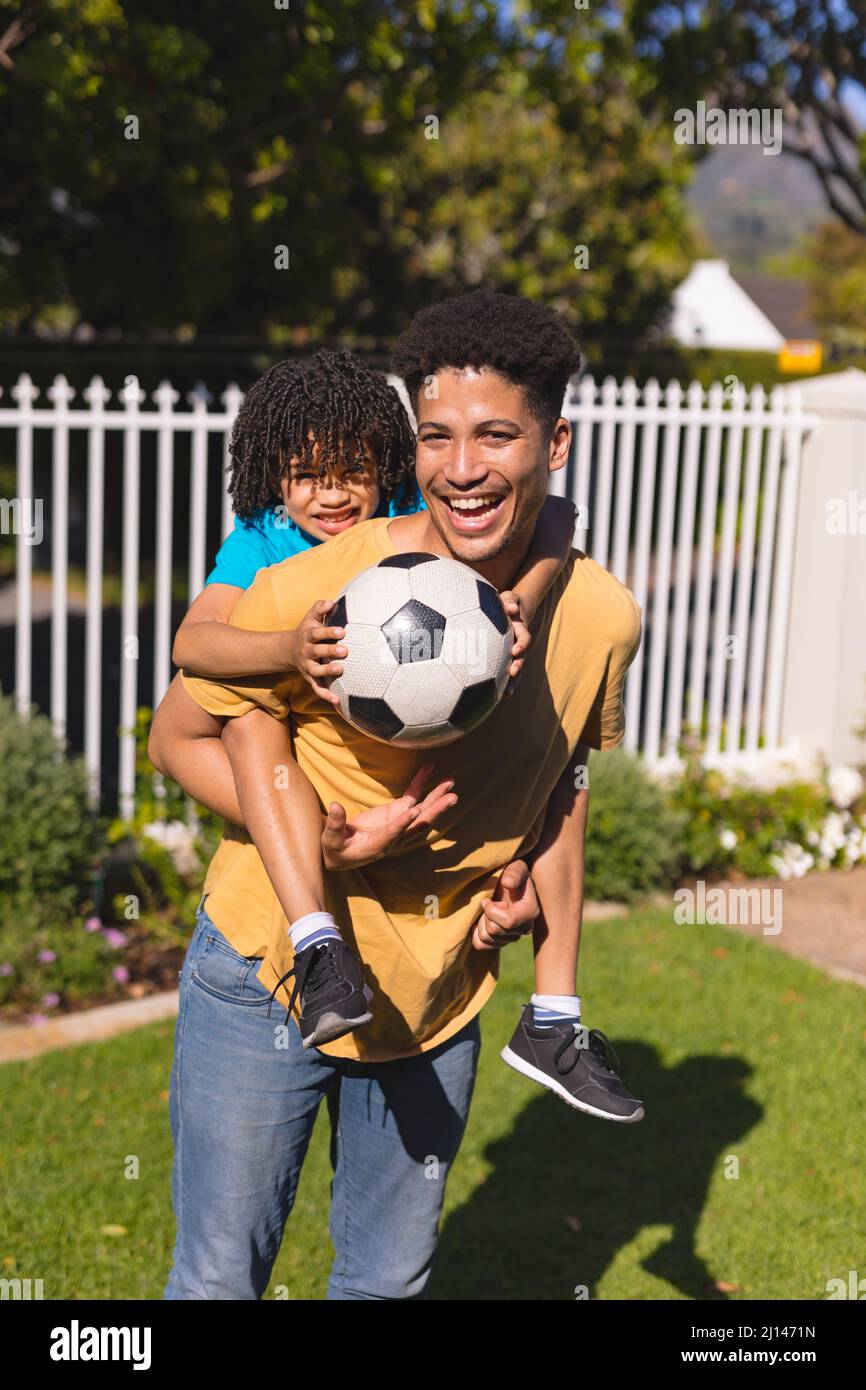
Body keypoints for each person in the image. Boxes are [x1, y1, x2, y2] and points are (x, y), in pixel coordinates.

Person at [150, 292, 643, 1300]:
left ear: (555, 446)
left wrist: (527, 895)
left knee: (386, 1285)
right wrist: (333, 849)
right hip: (268, 971)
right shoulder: (322, 585)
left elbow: (563, 785)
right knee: (218, 1279)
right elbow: (177, 732)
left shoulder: (597, 613)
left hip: (436, 999)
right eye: (437, 438)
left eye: (496, 435)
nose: (461, 467)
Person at [154, 347, 578, 1046]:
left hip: (422, 871)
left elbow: (559, 514)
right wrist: (286, 649)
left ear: (384, 469)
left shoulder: (415, 521)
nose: (332, 495)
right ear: (275, 480)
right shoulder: (266, 540)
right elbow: (193, 642)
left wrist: (519, 603)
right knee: (250, 708)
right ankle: (314, 939)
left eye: (353, 472)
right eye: (308, 477)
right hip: (286, 811)